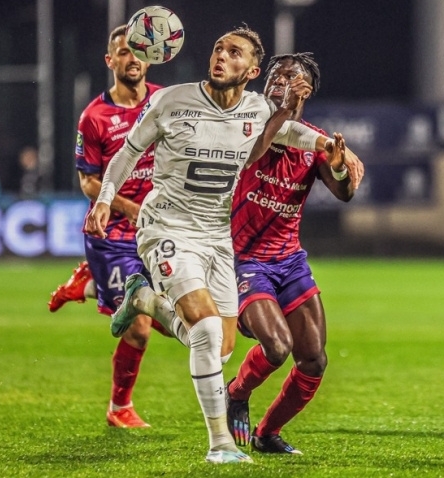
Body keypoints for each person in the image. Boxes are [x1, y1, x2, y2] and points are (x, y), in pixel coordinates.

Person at [85, 26, 361, 464]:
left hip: (221, 240)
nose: (221, 56)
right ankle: (221, 444)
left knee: (222, 347)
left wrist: (333, 150)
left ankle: (145, 300)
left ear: (249, 70)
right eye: (218, 48)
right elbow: (128, 152)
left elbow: (300, 140)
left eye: (234, 53)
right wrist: (104, 200)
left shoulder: (255, 110)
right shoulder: (172, 100)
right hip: (170, 228)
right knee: (215, 333)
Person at [225, 52, 364, 455]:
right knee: (276, 346)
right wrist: (287, 109)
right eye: (276, 74)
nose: (281, 80)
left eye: (292, 76)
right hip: (244, 259)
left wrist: (338, 167)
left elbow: (344, 193)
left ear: (308, 90)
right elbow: (261, 146)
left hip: (288, 261)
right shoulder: (247, 123)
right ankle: (236, 392)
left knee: (313, 360)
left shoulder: (314, 143)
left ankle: (267, 434)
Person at [48, 25, 166, 429]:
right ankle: (120, 408)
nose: (132, 59)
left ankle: (90, 283)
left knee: (178, 321)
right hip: (113, 234)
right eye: (123, 52)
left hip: (162, 230)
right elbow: (88, 181)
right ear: (110, 61)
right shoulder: (94, 117)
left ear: (149, 58)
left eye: (138, 52)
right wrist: (129, 208)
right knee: (140, 330)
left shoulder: (166, 102)